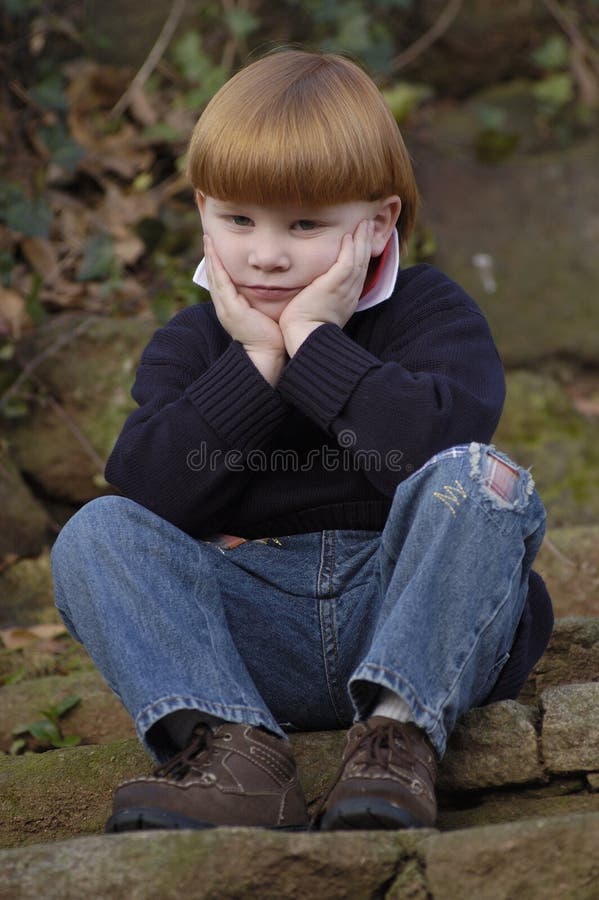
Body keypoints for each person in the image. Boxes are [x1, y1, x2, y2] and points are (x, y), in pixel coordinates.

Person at [51, 48, 553, 834]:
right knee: (96, 532)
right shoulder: (191, 342)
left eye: (306, 224)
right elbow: (151, 489)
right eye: (237, 220)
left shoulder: (429, 311)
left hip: (405, 612)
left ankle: (397, 735)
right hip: (251, 636)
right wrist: (256, 361)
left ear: (378, 221)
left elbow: (427, 455)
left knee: (481, 477)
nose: (267, 253)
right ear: (203, 210)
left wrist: (313, 341)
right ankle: (233, 755)